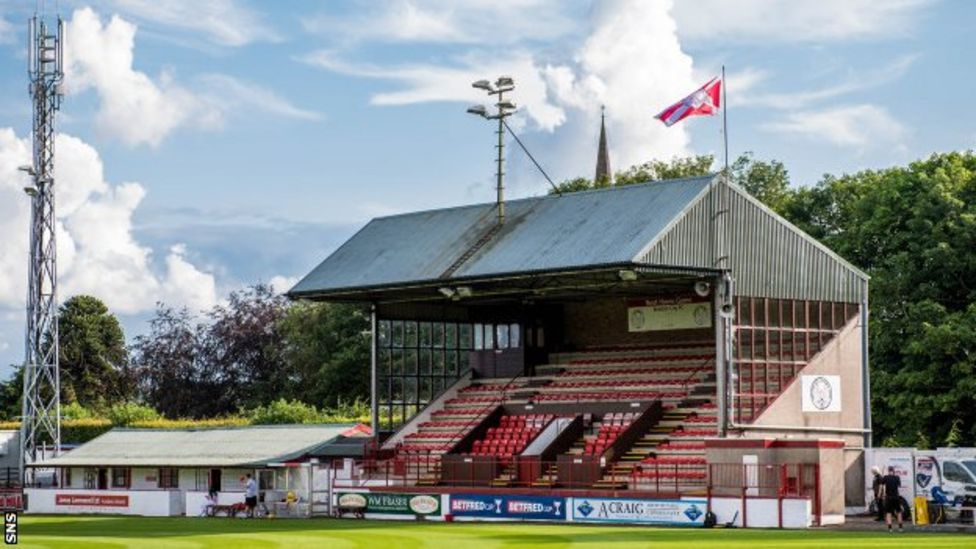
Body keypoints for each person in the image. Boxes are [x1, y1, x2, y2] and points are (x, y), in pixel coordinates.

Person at [880, 466, 904, 532]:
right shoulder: (897, 477)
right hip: (896, 497)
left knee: (888, 513)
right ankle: (900, 528)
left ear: (888, 471)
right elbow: (899, 486)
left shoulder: (885, 477)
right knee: (899, 512)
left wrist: (881, 495)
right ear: (894, 471)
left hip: (889, 497)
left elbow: (881, 484)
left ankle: (890, 528)